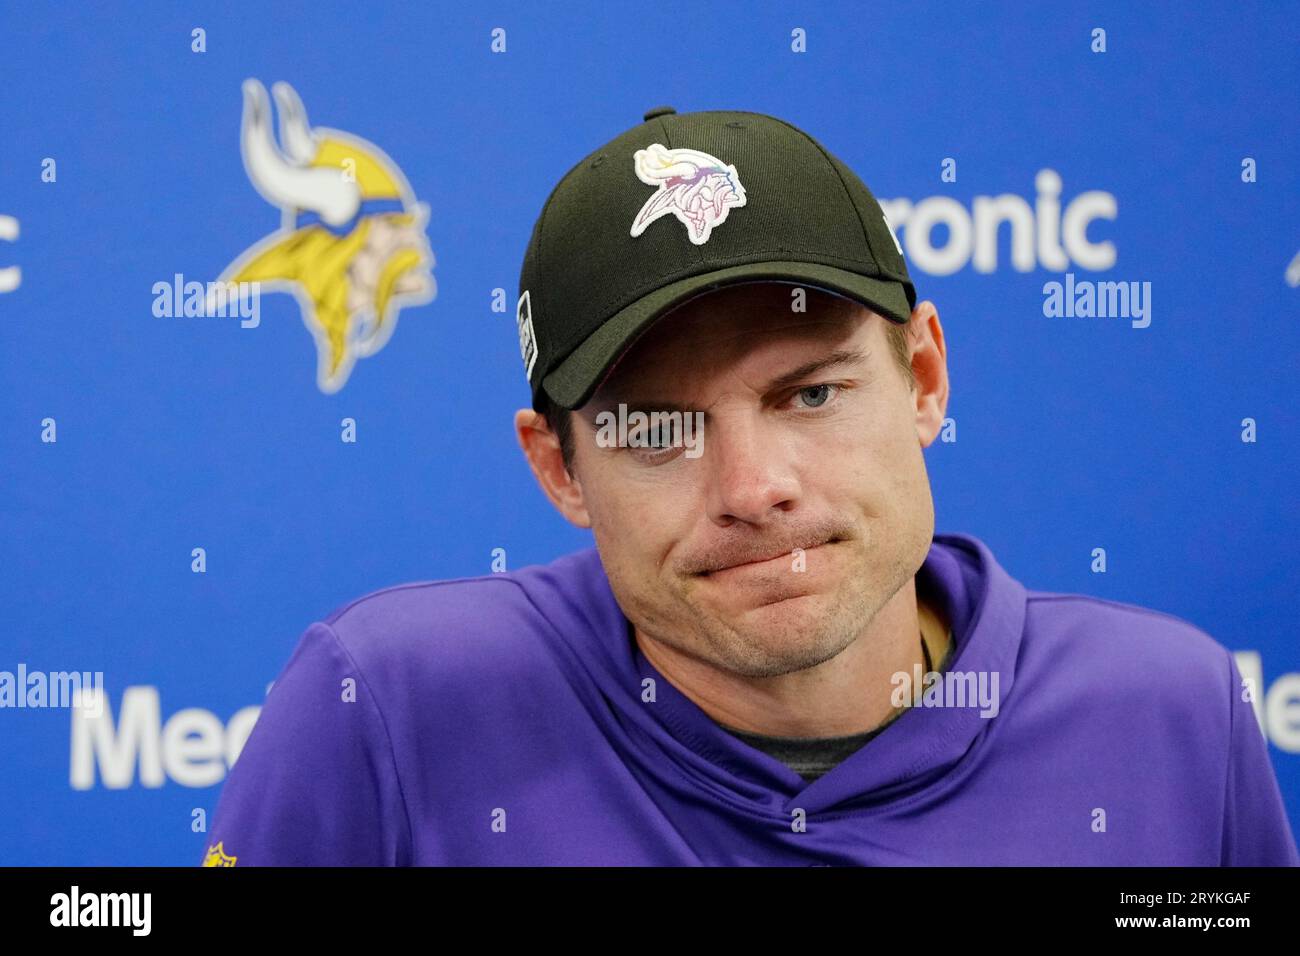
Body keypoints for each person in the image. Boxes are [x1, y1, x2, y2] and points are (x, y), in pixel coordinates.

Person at [201, 107, 1298, 866]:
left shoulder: (1169, 714)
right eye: (658, 427)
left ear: (922, 377)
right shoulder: (387, 709)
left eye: (809, 394)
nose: (752, 486)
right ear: (558, 467)